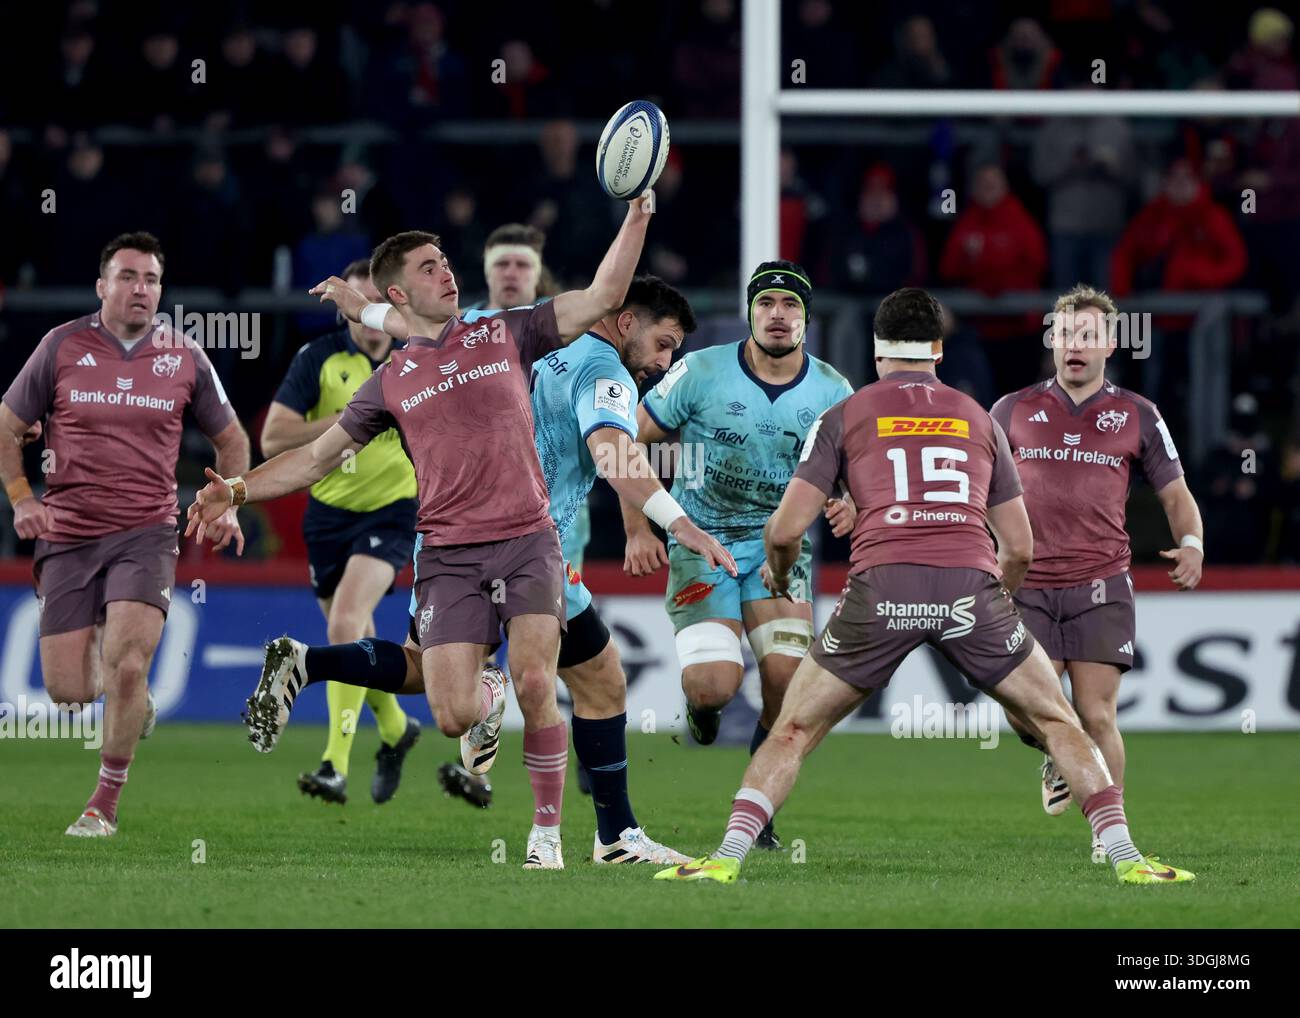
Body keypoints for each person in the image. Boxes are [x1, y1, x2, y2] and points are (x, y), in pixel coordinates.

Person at [187, 196, 699, 869]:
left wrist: (637, 212)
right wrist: (238, 487)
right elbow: (314, 459)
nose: (448, 273)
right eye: (431, 268)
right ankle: (346, 669)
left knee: (544, 682)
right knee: (451, 711)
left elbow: (604, 293)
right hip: (450, 553)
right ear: (404, 290)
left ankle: (564, 839)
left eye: (447, 263)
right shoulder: (389, 381)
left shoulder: (503, 333)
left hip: (529, 539)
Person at [656, 287, 1194, 885]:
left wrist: (780, 573)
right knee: (1063, 723)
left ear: (877, 352)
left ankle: (726, 859)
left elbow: (784, 531)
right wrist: (997, 598)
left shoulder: (847, 413)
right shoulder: (976, 415)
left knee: (794, 728)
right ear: (938, 349)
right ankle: (1128, 860)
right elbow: (1019, 546)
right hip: (969, 585)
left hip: (880, 589)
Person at [0, 231, 248, 837]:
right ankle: (127, 696)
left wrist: (230, 503)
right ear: (102, 285)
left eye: (152, 280)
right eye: (129, 277)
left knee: (129, 665)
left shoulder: (186, 355)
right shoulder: (60, 346)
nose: (142, 289)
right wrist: (22, 499)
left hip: (146, 530)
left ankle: (102, 805)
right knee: (68, 691)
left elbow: (233, 441)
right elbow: (7, 426)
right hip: (67, 531)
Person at [621, 259, 855, 851]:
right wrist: (639, 529)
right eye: (767, 303)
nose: (778, 315)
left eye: (791, 305)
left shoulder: (833, 391)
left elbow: (856, 472)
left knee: (788, 683)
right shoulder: (698, 371)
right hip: (703, 541)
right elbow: (622, 441)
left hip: (781, 551)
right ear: (750, 312)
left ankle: (760, 807)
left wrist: (850, 501)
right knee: (712, 687)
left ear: (806, 316)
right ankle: (703, 710)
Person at [991, 284, 1204, 859]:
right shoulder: (1011, 411)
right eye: (1064, 335)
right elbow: (970, 485)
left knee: (1096, 711)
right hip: (1025, 582)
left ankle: (1111, 837)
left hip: (1101, 584)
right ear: (1051, 342)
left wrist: (1191, 542)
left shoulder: (1138, 414)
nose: (1074, 346)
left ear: (1109, 344)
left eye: (1087, 336)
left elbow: (1176, 493)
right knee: (1023, 707)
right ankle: (1055, 755)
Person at [260, 258, 420, 806]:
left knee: (347, 620)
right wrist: (351, 418)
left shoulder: (414, 361)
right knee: (353, 641)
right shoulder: (319, 359)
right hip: (327, 515)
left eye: (376, 302)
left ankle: (334, 764)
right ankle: (397, 728)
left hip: (392, 512)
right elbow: (273, 438)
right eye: (356, 301)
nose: (366, 314)